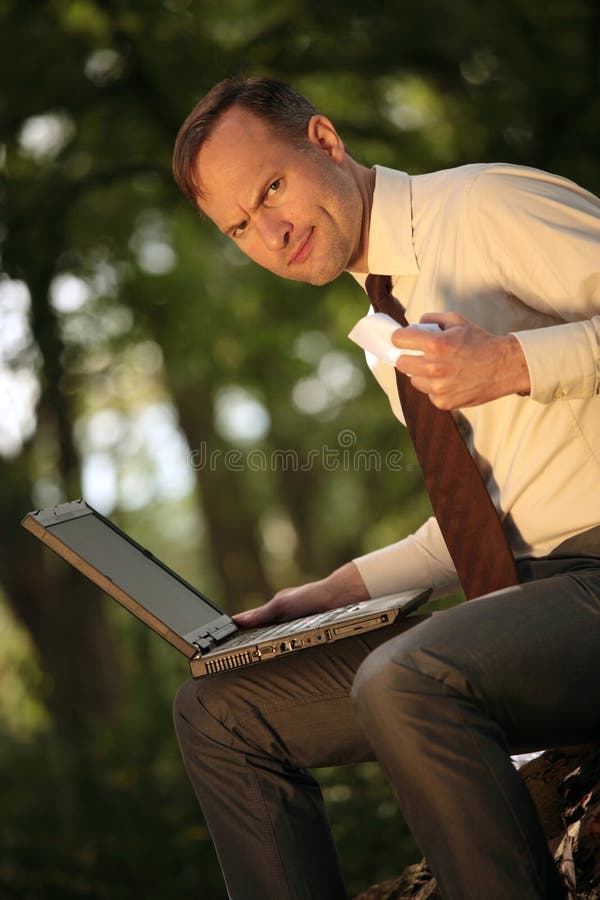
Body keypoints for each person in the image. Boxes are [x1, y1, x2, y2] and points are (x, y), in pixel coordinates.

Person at [170, 76, 600, 900]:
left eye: (270, 187)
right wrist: (325, 598)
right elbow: (489, 518)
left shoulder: (484, 205)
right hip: (534, 605)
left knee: (406, 676)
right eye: (239, 225)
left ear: (325, 141)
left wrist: (512, 363)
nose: (271, 230)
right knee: (221, 713)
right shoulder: (385, 321)